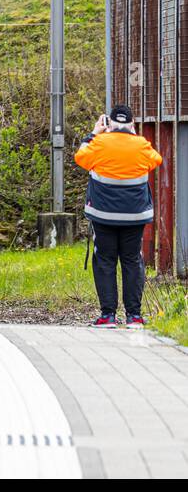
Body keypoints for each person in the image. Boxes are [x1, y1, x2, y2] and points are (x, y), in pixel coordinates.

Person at [74, 105, 162, 328]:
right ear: (132, 124)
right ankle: (134, 316)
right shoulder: (141, 145)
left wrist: (94, 133)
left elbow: (80, 158)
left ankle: (108, 316)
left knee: (105, 261)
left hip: (103, 216)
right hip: (134, 216)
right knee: (132, 261)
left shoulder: (98, 143)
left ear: (109, 123)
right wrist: (133, 137)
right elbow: (156, 160)